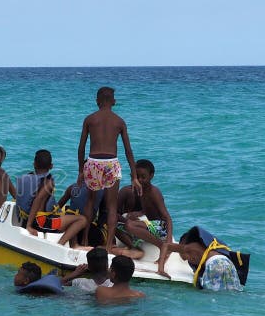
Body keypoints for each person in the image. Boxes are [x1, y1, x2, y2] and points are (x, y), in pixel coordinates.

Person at [77, 87, 142, 253]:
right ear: (113, 101)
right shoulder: (119, 121)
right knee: (112, 207)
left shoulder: (90, 119)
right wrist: (134, 175)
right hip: (111, 162)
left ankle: (84, 240)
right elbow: (128, 150)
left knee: (90, 203)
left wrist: (80, 171)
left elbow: (81, 148)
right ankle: (107, 247)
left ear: (97, 101)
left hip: (93, 162)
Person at [15, 150, 88, 247]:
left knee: (68, 213)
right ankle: (61, 244)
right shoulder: (48, 182)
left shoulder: (26, 177)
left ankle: (72, 244)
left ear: (34, 164)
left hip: (25, 219)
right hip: (41, 223)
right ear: (51, 166)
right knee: (82, 219)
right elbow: (37, 200)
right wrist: (29, 226)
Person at [115, 159, 173, 271]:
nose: (140, 180)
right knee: (115, 225)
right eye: (138, 176)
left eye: (143, 177)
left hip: (161, 227)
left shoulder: (154, 192)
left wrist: (169, 240)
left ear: (151, 176)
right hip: (151, 225)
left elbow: (167, 217)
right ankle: (134, 247)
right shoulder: (141, 190)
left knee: (130, 226)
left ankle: (161, 246)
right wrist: (138, 213)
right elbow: (148, 209)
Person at [157, 227, 245, 290]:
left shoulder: (187, 247)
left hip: (214, 265)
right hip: (228, 263)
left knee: (211, 295)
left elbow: (166, 245)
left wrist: (161, 269)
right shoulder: (204, 248)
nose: (185, 259)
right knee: (233, 292)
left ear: (183, 243)